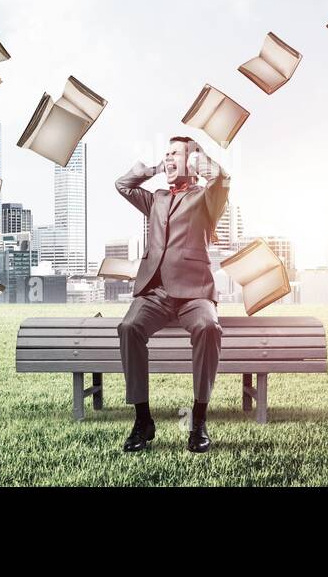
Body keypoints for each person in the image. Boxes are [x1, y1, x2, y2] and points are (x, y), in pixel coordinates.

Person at [114, 136, 228, 452]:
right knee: (129, 327)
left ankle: (199, 420)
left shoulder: (206, 197)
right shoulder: (156, 199)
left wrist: (198, 160)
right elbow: (122, 185)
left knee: (208, 327)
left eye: (175, 153)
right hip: (155, 291)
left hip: (195, 294)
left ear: (192, 161)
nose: (168, 158)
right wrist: (152, 167)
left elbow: (222, 178)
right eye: (166, 154)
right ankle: (142, 420)